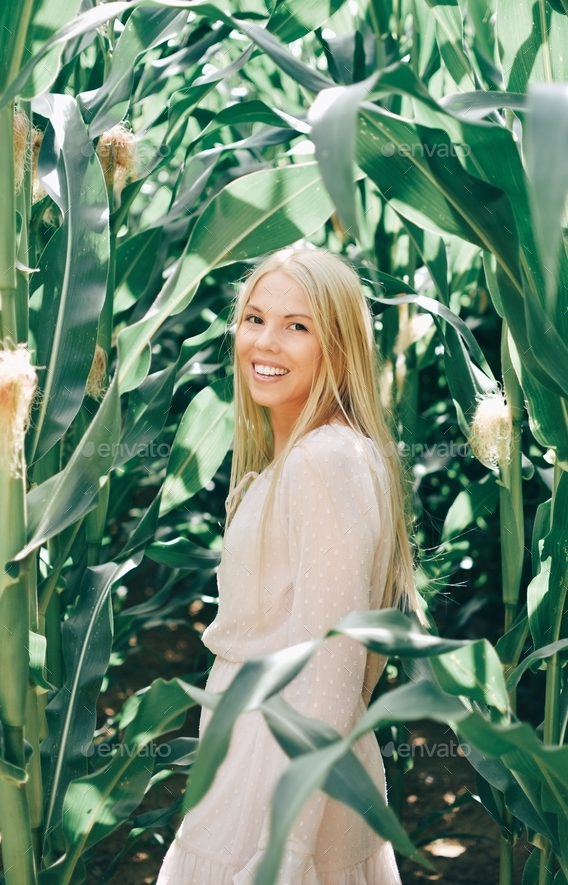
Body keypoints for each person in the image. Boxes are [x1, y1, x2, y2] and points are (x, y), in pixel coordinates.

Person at [156, 247, 424, 885]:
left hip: (276, 775)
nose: (264, 342)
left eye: (296, 326)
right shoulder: (317, 458)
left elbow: (331, 673)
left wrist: (286, 850)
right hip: (258, 760)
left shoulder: (323, 464)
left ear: (338, 347)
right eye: (254, 318)